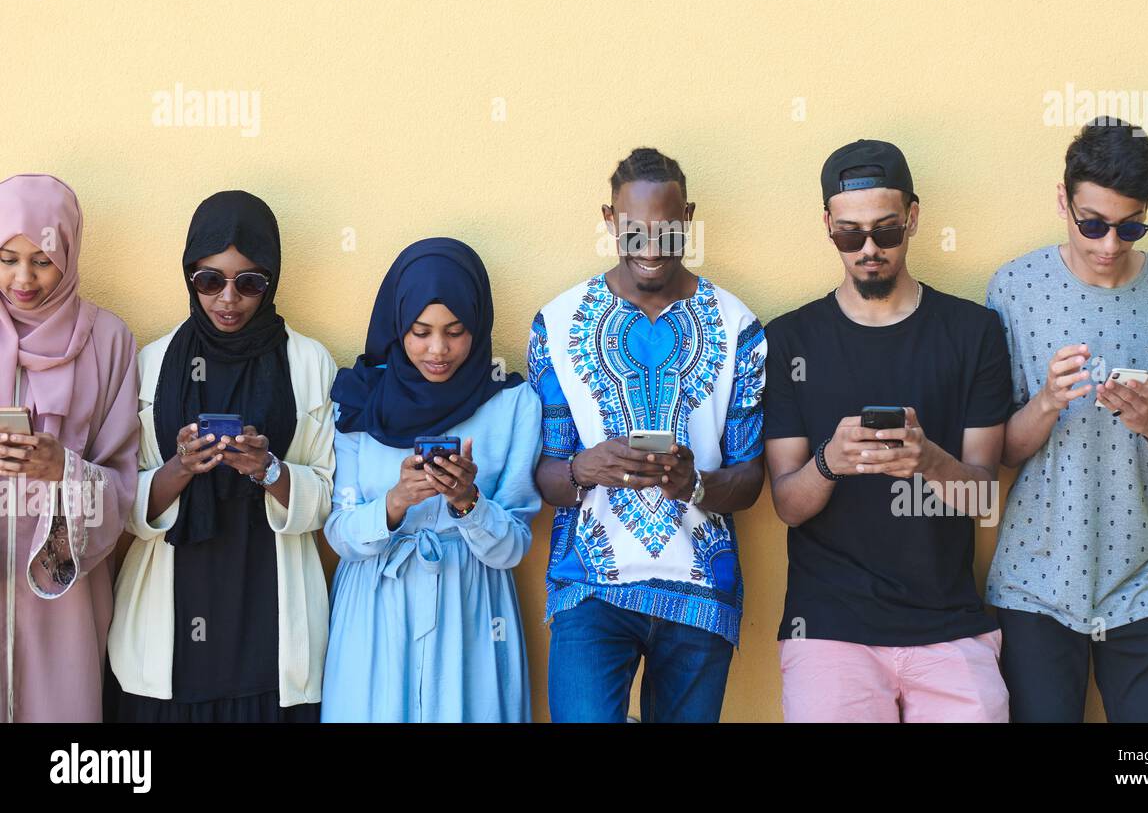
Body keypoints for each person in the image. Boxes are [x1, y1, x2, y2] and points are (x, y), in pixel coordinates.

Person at [763, 139, 1012, 723]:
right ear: (828, 226)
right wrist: (829, 462)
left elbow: (981, 500)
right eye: (850, 234)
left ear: (914, 218)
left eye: (886, 230)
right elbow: (787, 505)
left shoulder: (973, 331)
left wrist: (928, 461)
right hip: (828, 628)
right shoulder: (790, 340)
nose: (869, 249)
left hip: (949, 623)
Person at [985, 118, 1148, 722]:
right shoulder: (1014, 287)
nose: (1109, 244)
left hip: (1147, 578)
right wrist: (1045, 402)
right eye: (1091, 223)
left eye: (1131, 225)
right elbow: (999, 453)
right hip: (1034, 576)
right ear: (1062, 199)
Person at [528, 147, 766, 723]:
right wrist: (586, 468)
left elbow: (752, 477)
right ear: (609, 220)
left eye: (666, 230)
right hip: (591, 587)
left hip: (700, 590)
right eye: (634, 231)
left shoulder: (738, 326)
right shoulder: (556, 324)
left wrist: (696, 485)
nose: (651, 248)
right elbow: (545, 476)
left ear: (688, 217)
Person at [106, 191, 336, 722]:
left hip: (269, 609)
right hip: (172, 609)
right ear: (190, 276)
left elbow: (327, 498)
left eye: (248, 282)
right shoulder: (154, 362)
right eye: (210, 279)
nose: (227, 298)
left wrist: (269, 469)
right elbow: (122, 497)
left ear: (271, 281)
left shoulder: (307, 362)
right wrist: (180, 468)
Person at [322, 238, 541, 722]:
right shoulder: (360, 400)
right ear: (398, 325)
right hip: (375, 606)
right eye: (420, 332)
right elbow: (339, 533)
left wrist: (469, 503)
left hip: (472, 608)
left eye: (456, 331)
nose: (437, 350)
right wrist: (395, 503)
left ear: (478, 326)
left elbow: (512, 548)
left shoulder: (512, 404)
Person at [0, 174, 139, 722]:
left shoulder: (108, 340)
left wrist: (65, 469)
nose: (23, 279)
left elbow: (124, 483)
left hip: (64, 592)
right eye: (7, 258)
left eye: (42, 259)